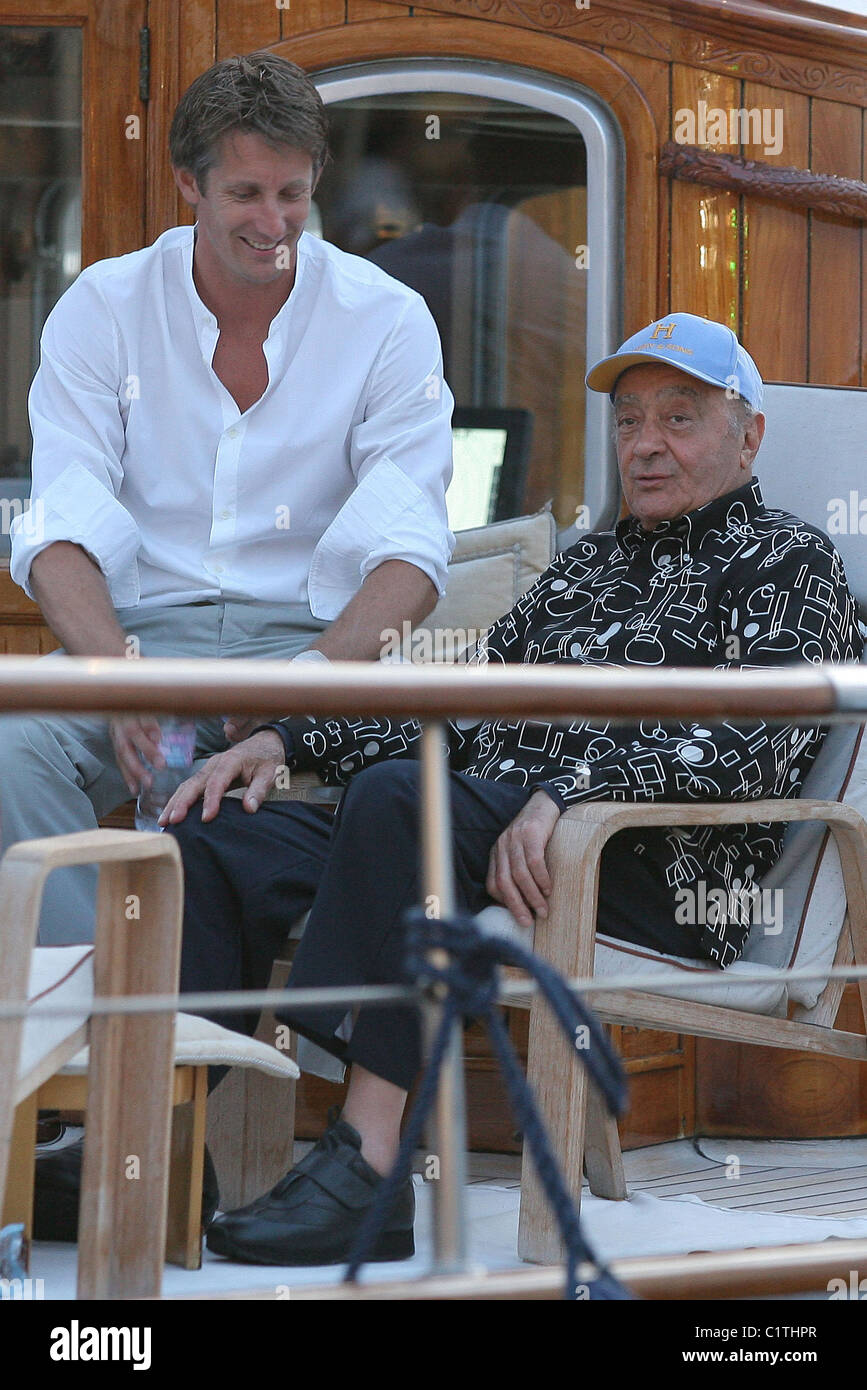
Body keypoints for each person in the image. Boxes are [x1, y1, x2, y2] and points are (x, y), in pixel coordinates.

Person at [168, 311, 860, 1266]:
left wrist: (568, 793)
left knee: (401, 801)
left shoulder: (792, 564)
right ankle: (163, 1151)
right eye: (627, 421)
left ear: (749, 435)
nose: (645, 444)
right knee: (219, 828)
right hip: (486, 837)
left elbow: (748, 750)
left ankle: (368, 1166)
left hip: (644, 867)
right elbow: (456, 698)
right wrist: (287, 737)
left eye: (680, 417)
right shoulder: (585, 567)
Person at [3, 53, 454, 946]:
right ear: (188, 185)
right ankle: (88, 1039)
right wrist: (115, 682)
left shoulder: (388, 319)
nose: (274, 222)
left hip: (309, 649)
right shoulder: (104, 305)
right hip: (137, 642)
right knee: (7, 752)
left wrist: (306, 693)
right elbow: (57, 531)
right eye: (246, 193)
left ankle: (215, 1043)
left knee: (401, 783)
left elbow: (411, 551)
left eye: (293, 193)